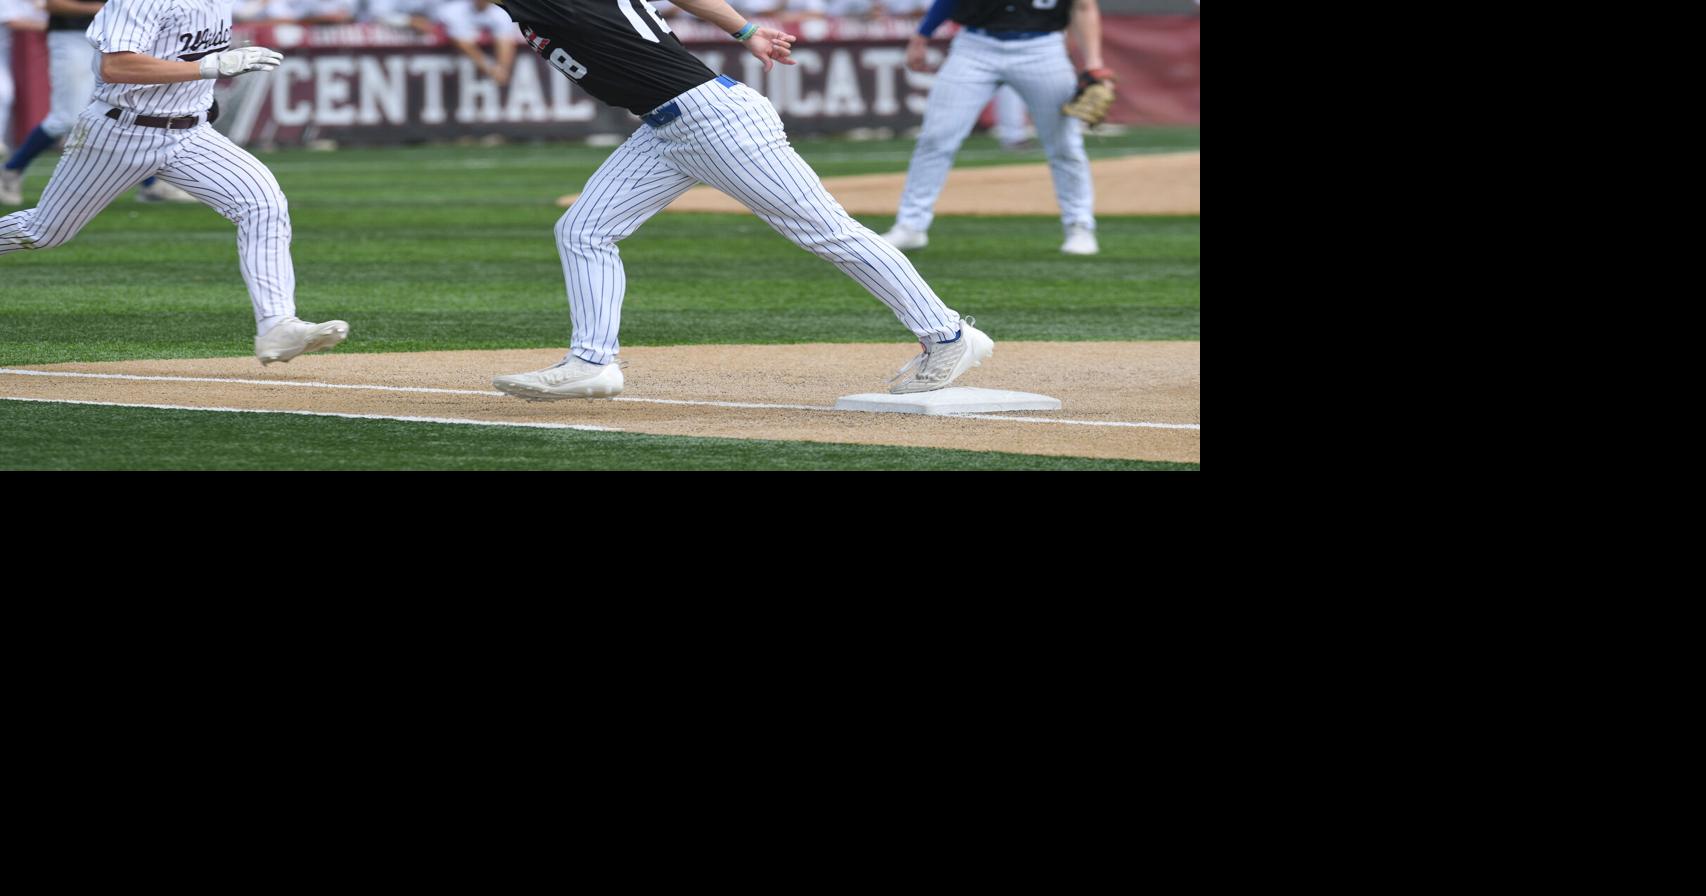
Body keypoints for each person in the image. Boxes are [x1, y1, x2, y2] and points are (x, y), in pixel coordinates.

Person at [486, 0, 993, 401]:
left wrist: (745, 29)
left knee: (829, 234)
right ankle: (592, 363)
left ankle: (947, 336)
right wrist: (747, 30)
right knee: (583, 230)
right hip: (665, 129)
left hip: (716, 124)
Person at [0, 0, 351, 367]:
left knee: (263, 204)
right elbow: (115, 66)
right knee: (43, 232)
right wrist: (210, 67)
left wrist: (204, 88)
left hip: (190, 133)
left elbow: (188, 53)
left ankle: (277, 325)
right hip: (120, 132)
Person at [882, 0, 1106, 255]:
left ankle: (1080, 226)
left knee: (1064, 144)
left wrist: (1093, 62)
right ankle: (910, 226)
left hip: (1042, 47)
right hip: (975, 46)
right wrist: (922, 36)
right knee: (935, 138)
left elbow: (1083, 6)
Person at [1, 0, 196, 205]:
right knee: (67, 118)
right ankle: (11, 170)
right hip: (75, 36)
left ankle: (151, 184)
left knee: (124, 112)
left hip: (121, 39)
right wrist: (105, 8)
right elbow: (53, 4)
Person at [2, 1, 49, 158]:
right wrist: (53, 26)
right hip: (6, 54)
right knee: (4, 94)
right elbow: (12, 21)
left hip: (21, 54)